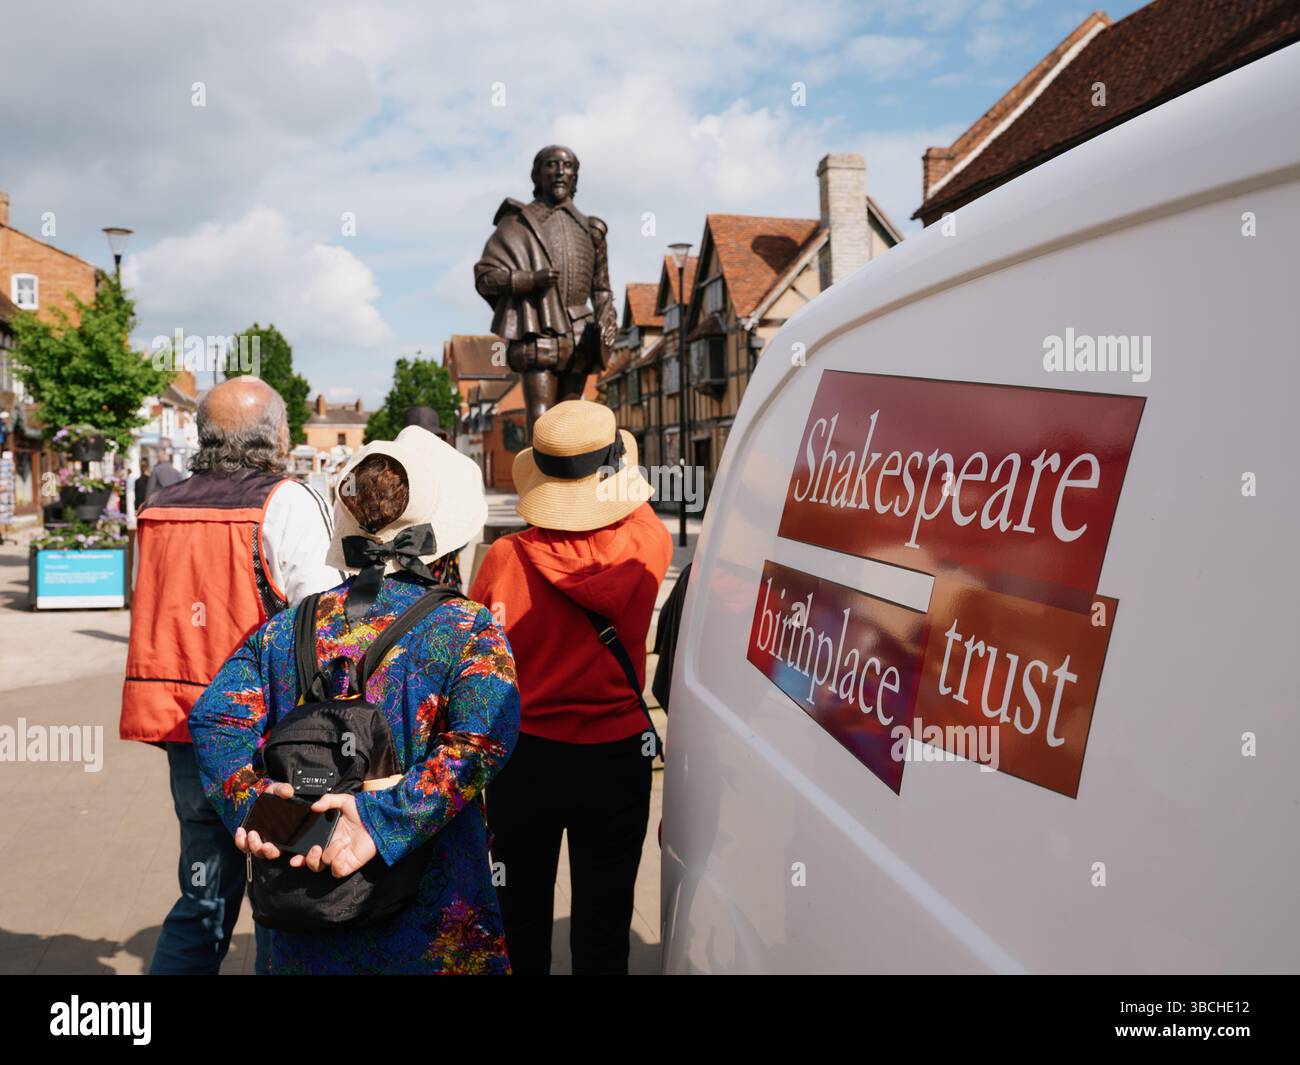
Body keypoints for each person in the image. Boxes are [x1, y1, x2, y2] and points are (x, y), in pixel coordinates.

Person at [190, 426, 520, 974]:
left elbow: (214, 720)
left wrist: (261, 808)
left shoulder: (288, 626)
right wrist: (380, 819)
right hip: (435, 915)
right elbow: (484, 739)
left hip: (311, 903)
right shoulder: (467, 628)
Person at [120, 377, 340, 975]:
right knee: (286, 895)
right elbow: (323, 621)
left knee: (204, 898)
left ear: (201, 435)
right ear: (279, 436)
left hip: (186, 731)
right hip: (269, 736)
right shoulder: (286, 501)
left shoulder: (159, 507)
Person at [470, 399, 672, 974]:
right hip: (617, 754)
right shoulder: (649, 542)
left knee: (518, 917)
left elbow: (480, 654)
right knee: (606, 924)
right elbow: (635, 510)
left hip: (525, 758)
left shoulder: (505, 558)